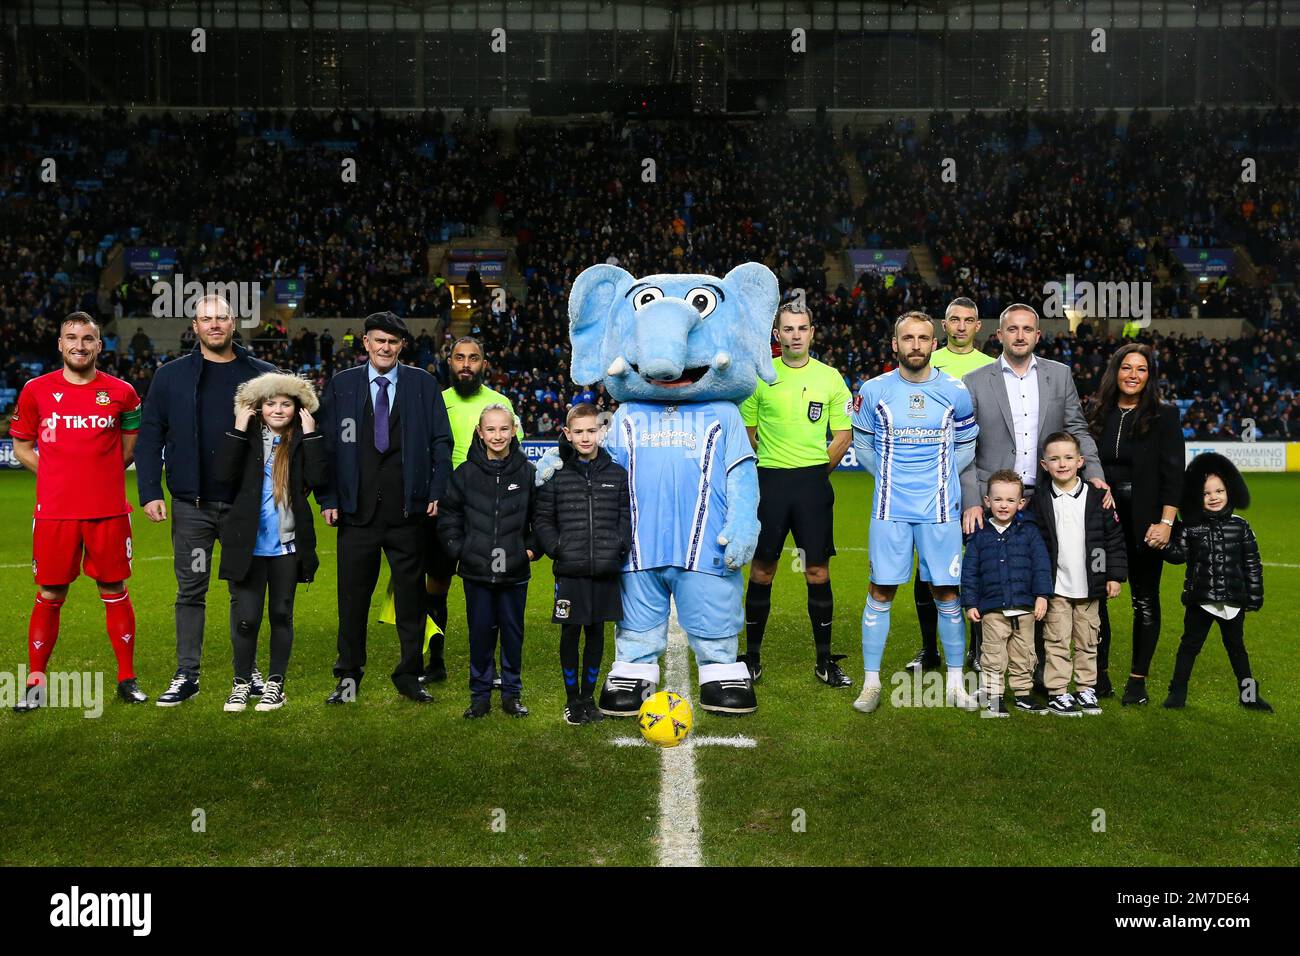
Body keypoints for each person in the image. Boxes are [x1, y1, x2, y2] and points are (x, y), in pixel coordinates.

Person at [959, 302, 1110, 696]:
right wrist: (973, 499)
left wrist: (1094, 473)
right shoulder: (975, 381)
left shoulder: (1059, 375)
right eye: (1012, 329)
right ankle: (985, 662)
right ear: (999, 335)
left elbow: (1077, 428)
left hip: (1046, 497)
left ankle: (1041, 670)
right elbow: (964, 447)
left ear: (1038, 335)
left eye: (1028, 329)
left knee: (1044, 579)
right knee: (992, 579)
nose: (1020, 335)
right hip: (994, 499)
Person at [136, 294, 277, 707]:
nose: (214, 324)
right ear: (194, 327)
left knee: (244, 591)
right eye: (206, 319)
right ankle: (187, 675)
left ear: (233, 323)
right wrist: (149, 492)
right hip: (192, 507)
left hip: (244, 506)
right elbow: (150, 436)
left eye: (221, 317)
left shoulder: (263, 375)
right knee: (191, 590)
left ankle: (247, 672)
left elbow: (286, 437)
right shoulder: (171, 377)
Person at [10, 313, 147, 711]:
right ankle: (35, 684)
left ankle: (127, 679)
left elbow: (129, 447)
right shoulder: (35, 390)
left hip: (108, 510)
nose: (80, 345)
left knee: (114, 590)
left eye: (88, 339)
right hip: (55, 512)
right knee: (50, 593)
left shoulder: (123, 393)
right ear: (60, 344)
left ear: (99, 345)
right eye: (72, 338)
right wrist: (56, 476)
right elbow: (21, 445)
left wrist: (99, 477)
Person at [317, 311, 453, 705]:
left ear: (402, 346)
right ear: (366, 342)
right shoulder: (342, 385)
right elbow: (327, 445)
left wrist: (436, 490)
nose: (385, 347)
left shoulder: (422, 384)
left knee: (411, 601)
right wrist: (328, 497)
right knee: (352, 602)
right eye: (379, 340)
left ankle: (409, 676)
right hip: (356, 514)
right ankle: (347, 679)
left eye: (393, 342)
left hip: (408, 513)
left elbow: (441, 441)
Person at [851, 311, 980, 715]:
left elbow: (966, 446)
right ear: (895, 344)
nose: (916, 345)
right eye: (908, 338)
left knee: (947, 592)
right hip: (889, 509)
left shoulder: (956, 391)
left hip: (940, 510)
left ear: (933, 344)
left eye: (924, 338)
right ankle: (871, 683)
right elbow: (864, 447)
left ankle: (955, 684)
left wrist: (937, 479)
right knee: (881, 590)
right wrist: (893, 479)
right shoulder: (873, 390)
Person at [739, 294, 853, 688]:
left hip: (812, 488)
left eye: (802, 328)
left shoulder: (830, 377)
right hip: (769, 484)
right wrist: (775, 462)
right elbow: (748, 433)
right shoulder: (761, 376)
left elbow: (843, 435)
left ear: (812, 333)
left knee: (817, 570)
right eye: (788, 329)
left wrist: (815, 472)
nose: (796, 335)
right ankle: (752, 658)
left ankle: (824, 661)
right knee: (763, 569)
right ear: (777, 334)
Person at [410, 336, 521, 684]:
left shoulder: (500, 403)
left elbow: (514, 455)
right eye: (460, 358)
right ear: (450, 362)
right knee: (436, 585)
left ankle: (495, 668)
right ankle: (435, 662)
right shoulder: (437, 401)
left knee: (493, 586)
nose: (466, 365)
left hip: (488, 509)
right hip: (445, 508)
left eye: (473, 358)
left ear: (484, 364)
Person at [214, 372, 328, 713]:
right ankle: (241, 683)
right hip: (247, 546)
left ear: (298, 408)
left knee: (281, 614)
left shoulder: (302, 440)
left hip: (287, 546)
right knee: (246, 618)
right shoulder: (246, 438)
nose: (278, 410)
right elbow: (222, 476)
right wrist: (238, 427)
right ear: (258, 407)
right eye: (270, 403)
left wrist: (312, 435)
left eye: (286, 404)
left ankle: (276, 685)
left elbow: (319, 479)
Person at [1086, 342, 1185, 704]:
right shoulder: (1097, 411)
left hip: (1145, 523)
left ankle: (1137, 682)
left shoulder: (1164, 415)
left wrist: (1166, 523)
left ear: (1150, 375)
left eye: (1141, 369)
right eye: (1127, 367)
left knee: (1144, 600)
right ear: (1115, 372)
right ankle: (1098, 677)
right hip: (1101, 522)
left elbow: (1174, 475)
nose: (1133, 375)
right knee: (1095, 599)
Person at [909, 296, 996, 673]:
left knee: (977, 566)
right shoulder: (927, 362)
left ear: (978, 326)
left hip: (976, 482)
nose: (961, 326)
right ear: (943, 326)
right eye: (954, 320)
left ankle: (977, 651)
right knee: (927, 570)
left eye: (968, 320)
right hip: (931, 484)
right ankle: (930, 650)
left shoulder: (991, 368)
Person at [438, 405, 539, 719]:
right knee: (480, 634)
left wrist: (528, 552)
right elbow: (448, 518)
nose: (497, 435)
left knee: (512, 635)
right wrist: (462, 551)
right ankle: (479, 696)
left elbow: (542, 519)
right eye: (491, 429)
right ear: (480, 433)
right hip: (476, 572)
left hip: (514, 573)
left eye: (504, 429)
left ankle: (511, 694)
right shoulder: (464, 474)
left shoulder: (528, 473)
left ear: (514, 430)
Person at [533, 403, 631, 725]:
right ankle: (572, 699)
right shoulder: (556, 474)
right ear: (567, 433)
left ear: (602, 432)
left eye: (591, 431)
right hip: (570, 571)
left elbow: (625, 517)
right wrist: (558, 548)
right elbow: (543, 518)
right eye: (578, 432)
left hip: (603, 569)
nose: (585, 437)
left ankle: (589, 698)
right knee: (571, 632)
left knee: (596, 632)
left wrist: (618, 547)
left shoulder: (616, 474)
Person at [1161, 453, 1271, 712]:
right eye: (1206, 493)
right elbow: (1178, 556)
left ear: (1229, 491)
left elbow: (1252, 565)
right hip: (1200, 601)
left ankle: (1249, 696)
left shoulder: (1241, 527)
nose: (1213, 497)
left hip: (1233, 601)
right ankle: (1177, 694)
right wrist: (1162, 541)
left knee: (1237, 649)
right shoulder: (1190, 527)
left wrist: (1255, 596)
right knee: (1189, 647)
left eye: (1219, 491)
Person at [1031, 432, 1128, 717]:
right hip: (1057, 587)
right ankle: (1058, 692)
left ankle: (1086, 688)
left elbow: (1114, 539)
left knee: (1088, 640)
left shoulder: (1098, 497)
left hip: (1090, 586)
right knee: (1056, 640)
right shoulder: (1039, 501)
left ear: (1080, 461)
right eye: (1054, 458)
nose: (1062, 464)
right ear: (1044, 464)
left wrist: (1114, 576)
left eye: (1068, 458)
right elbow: (1035, 545)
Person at [960, 471, 1053, 717]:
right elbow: (969, 572)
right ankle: (994, 696)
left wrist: (1042, 595)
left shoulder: (1029, 532)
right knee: (993, 654)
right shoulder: (979, 534)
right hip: (993, 608)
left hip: (1024, 607)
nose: (1004, 505)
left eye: (1010, 500)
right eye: (998, 499)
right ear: (987, 501)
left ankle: (1023, 694)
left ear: (1021, 503)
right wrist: (970, 603)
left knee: (1024, 654)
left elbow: (1041, 565)